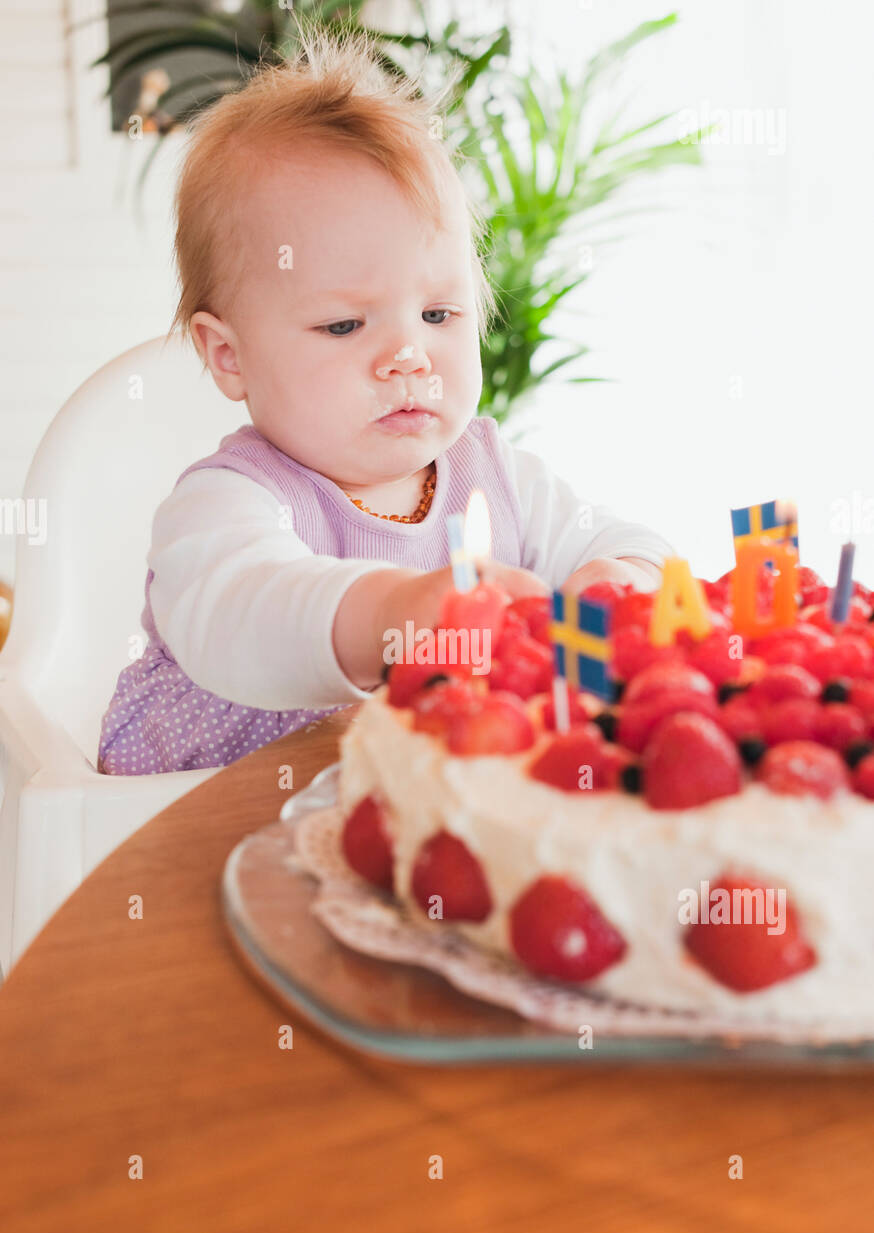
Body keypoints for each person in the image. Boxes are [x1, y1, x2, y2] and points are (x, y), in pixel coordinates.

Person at [98, 24, 672, 775]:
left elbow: (629, 543)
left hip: (403, 835)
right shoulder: (230, 502)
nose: (408, 356)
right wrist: (395, 616)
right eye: (343, 324)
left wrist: (614, 585)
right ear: (230, 356)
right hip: (186, 832)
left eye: (438, 315)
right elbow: (241, 612)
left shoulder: (493, 475)